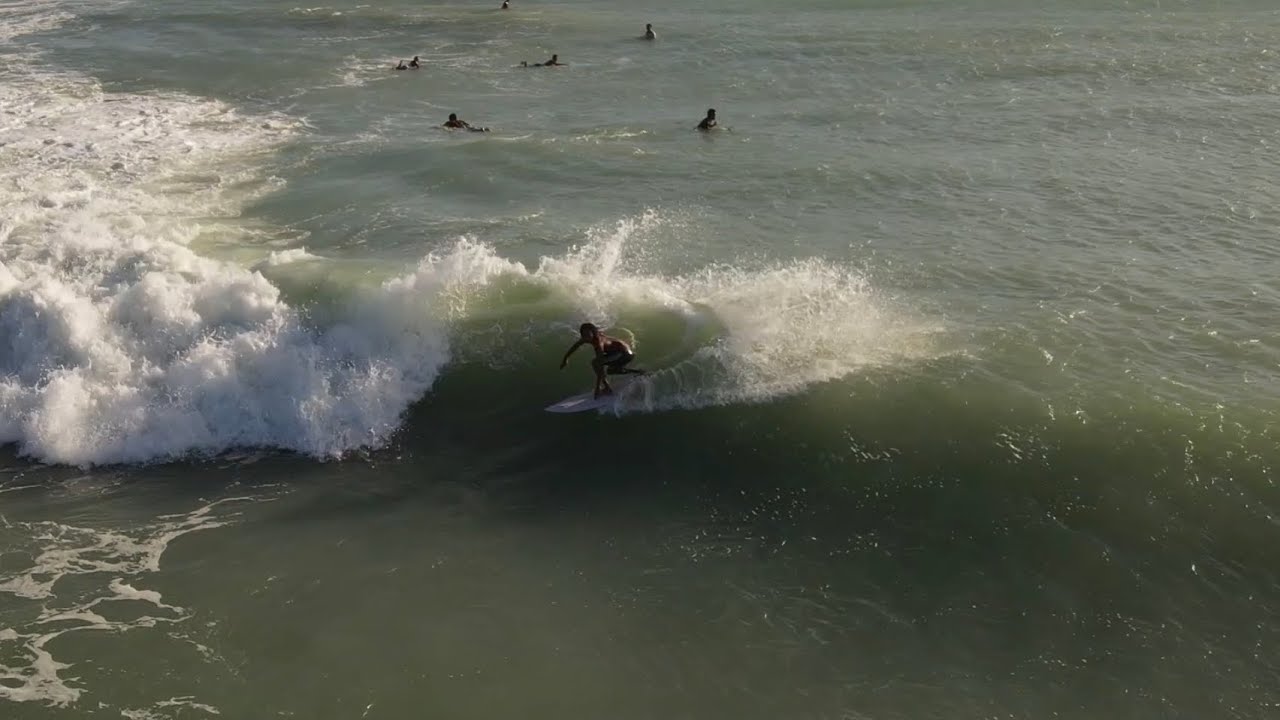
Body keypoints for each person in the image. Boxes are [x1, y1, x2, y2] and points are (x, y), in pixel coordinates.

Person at [560, 323, 644, 398]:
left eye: (589, 334)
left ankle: (607, 388)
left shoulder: (598, 343)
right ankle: (639, 372)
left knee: (596, 363)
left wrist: (597, 388)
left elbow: (600, 367)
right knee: (611, 371)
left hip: (624, 353)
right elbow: (575, 346)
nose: (587, 337)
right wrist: (565, 359)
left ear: (593, 333)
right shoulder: (586, 338)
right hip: (617, 352)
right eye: (584, 335)